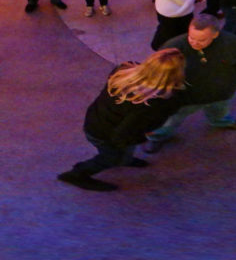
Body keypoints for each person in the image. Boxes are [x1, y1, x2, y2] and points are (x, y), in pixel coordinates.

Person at [56, 49, 187, 191]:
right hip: (108, 135)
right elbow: (124, 133)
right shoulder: (154, 102)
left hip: (96, 121)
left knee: (121, 152)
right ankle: (76, 174)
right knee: (111, 157)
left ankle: (125, 158)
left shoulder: (124, 69)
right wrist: (137, 141)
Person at [142, 13, 236, 152]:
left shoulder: (231, 42)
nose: (194, 43)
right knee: (170, 119)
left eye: (201, 40)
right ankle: (157, 137)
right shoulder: (173, 48)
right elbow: (158, 73)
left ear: (215, 34)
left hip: (222, 93)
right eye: (191, 37)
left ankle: (221, 122)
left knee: (220, 110)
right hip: (186, 98)